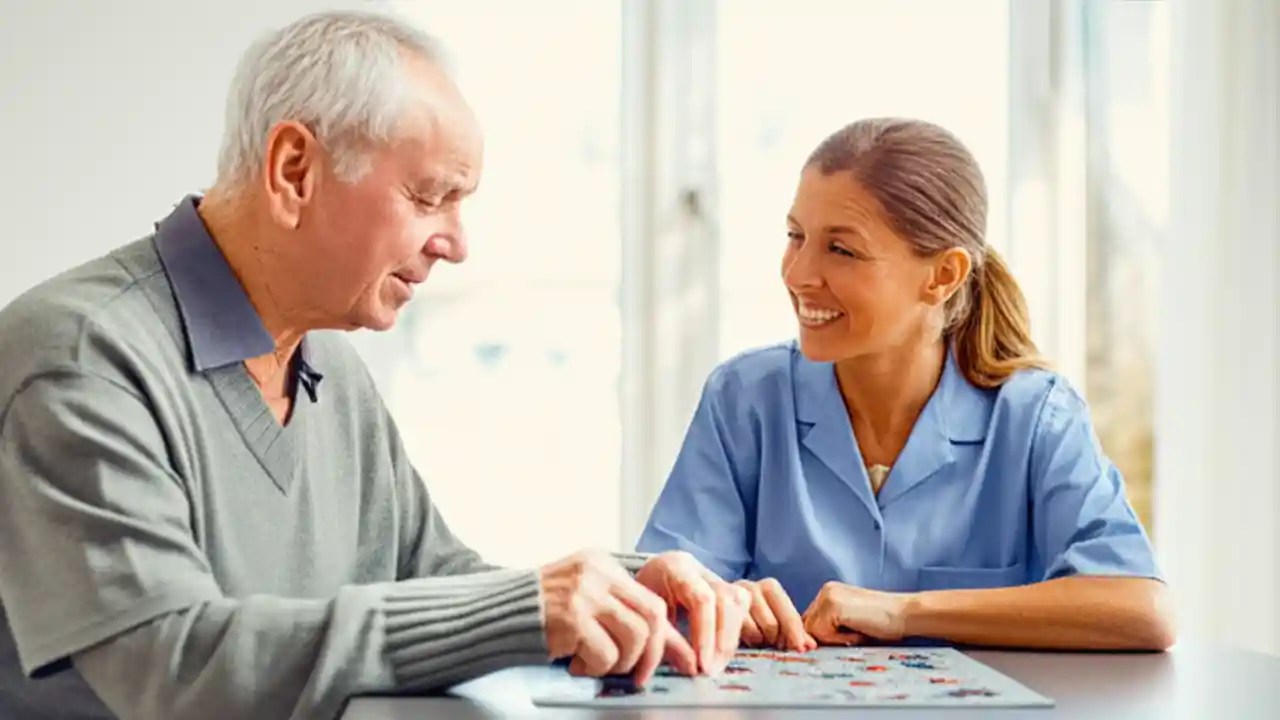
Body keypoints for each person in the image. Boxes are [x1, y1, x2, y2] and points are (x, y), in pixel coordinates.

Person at [0, 11, 748, 720]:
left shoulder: (327, 364)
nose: (456, 243)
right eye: (430, 197)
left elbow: (433, 581)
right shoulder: (80, 359)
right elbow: (171, 664)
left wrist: (625, 589)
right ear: (294, 171)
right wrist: (529, 610)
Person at [637, 117, 1176, 653]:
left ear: (942, 276)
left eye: (840, 250)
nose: (799, 273)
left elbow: (1141, 611)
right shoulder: (745, 399)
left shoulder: (1035, 417)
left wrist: (903, 611)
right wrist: (714, 597)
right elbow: (658, 601)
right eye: (795, 236)